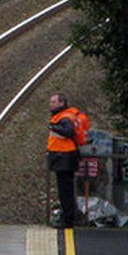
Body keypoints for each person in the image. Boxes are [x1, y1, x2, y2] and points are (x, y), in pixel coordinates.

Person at [47, 93, 81, 229]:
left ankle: (68, 220)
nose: (51, 105)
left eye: (53, 102)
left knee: (65, 191)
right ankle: (67, 217)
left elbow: (69, 131)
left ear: (61, 103)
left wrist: (53, 127)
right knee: (64, 190)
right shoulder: (61, 116)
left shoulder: (65, 117)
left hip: (65, 159)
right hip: (62, 158)